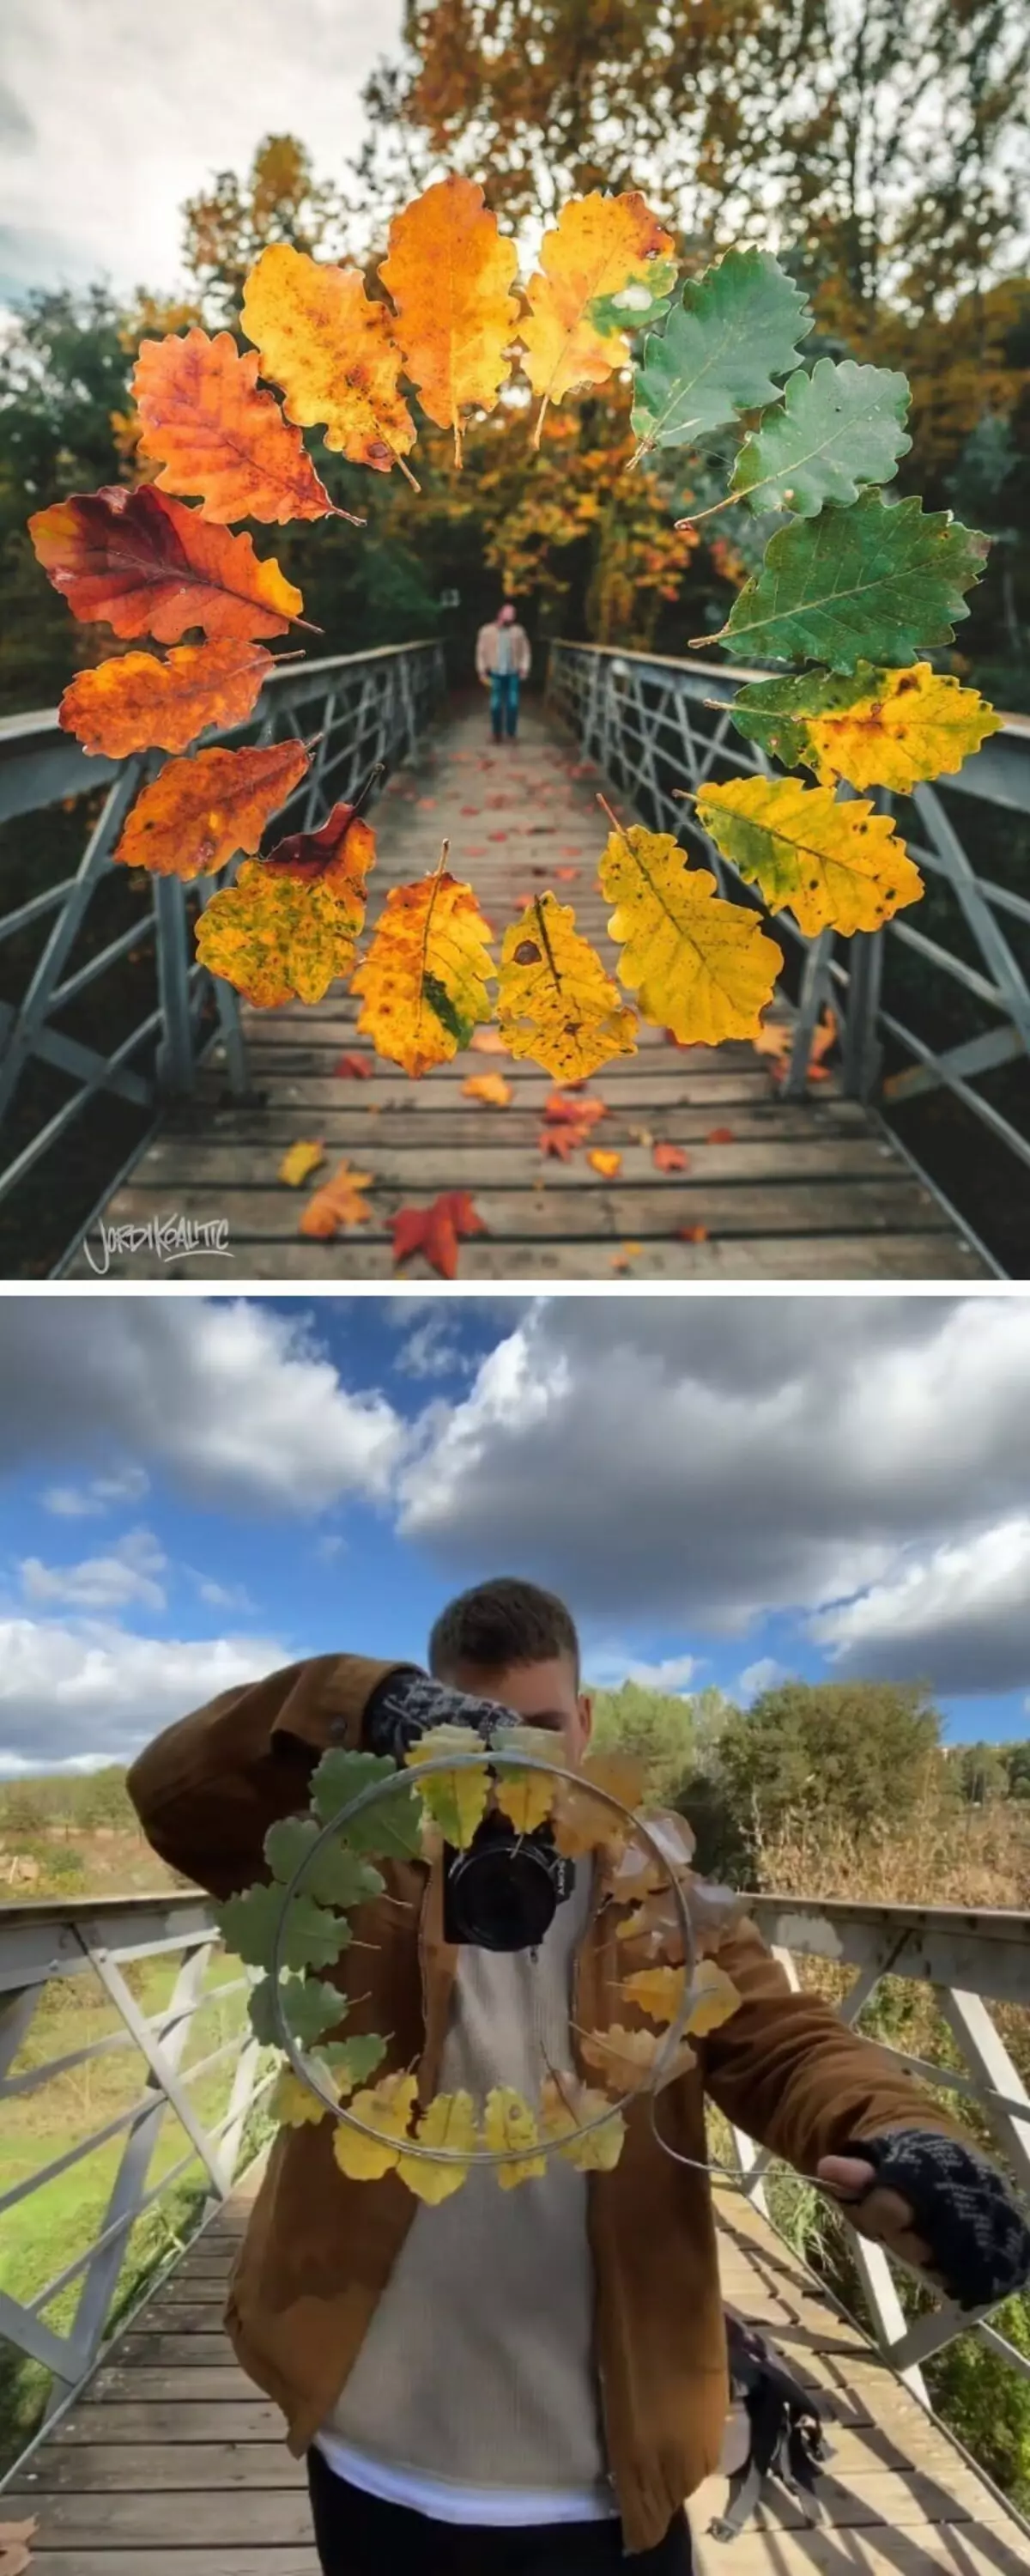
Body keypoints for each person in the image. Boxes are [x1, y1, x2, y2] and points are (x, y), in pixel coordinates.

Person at [127, 1578, 1030, 2576]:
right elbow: (170, 1793)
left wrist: (899, 2132)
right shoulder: (353, 1868)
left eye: (542, 1732)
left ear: (587, 1723)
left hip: (612, 2470)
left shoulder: (666, 1899)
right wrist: (358, 1696)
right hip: (377, 2446)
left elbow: (783, 2042)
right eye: (480, 1736)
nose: (515, 1768)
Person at [476, 600, 531, 741]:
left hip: (513, 672)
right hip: (495, 672)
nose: (511, 617)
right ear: (500, 614)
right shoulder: (486, 631)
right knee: (495, 705)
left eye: (513, 615)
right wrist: (482, 670)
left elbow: (526, 651)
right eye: (508, 614)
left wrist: (524, 668)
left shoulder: (518, 631)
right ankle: (497, 732)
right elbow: (480, 652)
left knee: (513, 704)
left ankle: (511, 732)